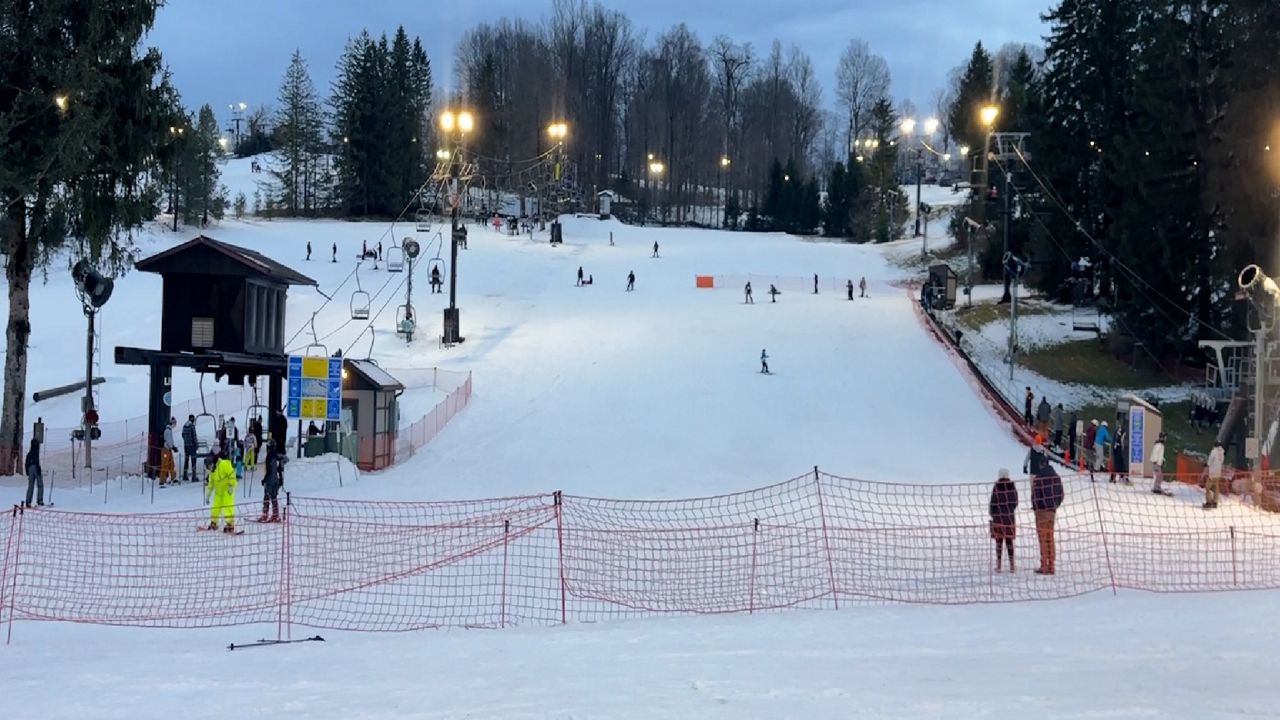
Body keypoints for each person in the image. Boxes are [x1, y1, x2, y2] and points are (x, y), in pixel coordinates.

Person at [1026, 439, 1063, 574]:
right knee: (1050, 537)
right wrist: (1055, 505)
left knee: (1042, 538)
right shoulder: (1056, 478)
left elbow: (1035, 496)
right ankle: (1052, 565)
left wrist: (1036, 507)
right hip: (1052, 511)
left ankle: (1044, 565)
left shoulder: (1039, 478)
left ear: (1040, 465)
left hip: (1041, 511)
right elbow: (1061, 494)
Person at [989, 468, 1019, 573]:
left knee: (999, 542)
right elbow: (1015, 501)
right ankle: (1012, 565)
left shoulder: (997, 487)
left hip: (998, 517)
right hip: (1009, 518)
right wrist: (1010, 510)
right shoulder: (1012, 486)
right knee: (1009, 542)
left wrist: (993, 513)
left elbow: (993, 502)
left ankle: (999, 565)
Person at [205, 453, 238, 532]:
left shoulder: (224, 464)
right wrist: (208, 494)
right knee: (215, 507)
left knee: (227, 506)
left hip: (227, 489)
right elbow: (211, 483)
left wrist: (231, 485)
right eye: (208, 467)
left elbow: (232, 474)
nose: (210, 468)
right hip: (218, 491)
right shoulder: (212, 472)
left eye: (210, 466)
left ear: (213, 463)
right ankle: (214, 522)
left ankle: (230, 523)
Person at [258, 437, 285, 523]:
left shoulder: (269, 456)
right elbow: (280, 469)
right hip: (276, 480)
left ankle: (265, 514)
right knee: (274, 497)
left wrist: (264, 479)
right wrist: (281, 479)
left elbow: (269, 469)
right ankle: (275, 515)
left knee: (266, 497)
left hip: (270, 479)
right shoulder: (277, 456)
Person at [1204, 440, 1225, 509]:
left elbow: (1209, 462)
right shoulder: (1222, 453)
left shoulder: (1213, 452)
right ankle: (1215, 502)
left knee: (1207, 487)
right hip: (1218, 473)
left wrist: (1206, 464)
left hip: (1212, 473)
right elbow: (1221, 462)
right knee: (1216, 488)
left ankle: (1209, 502)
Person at [23, 438, 43, 508]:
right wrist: (39, 471)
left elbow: (26, 463)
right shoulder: (36, 452)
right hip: (35, 467)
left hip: (30, 469)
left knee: (30, 486)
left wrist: (27, 472)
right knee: (40, 485)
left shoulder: (29, 453)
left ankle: (28, 501)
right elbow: (36, 461)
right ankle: (39, 500)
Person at [159, 417, 178, 487]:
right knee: (165, 465)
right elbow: (168, 441)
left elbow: (170, 441)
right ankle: (162, 480)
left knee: (171, 464)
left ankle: (173, 478)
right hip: (165, 450)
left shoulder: (169, 430)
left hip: (169, 449)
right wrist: (173, 447)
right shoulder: (167, 431)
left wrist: (173, 447)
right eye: (174, 423)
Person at [182, 414, 199, 482]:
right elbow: (194, 436)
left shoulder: (184, 426)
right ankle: (194, 476)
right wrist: (196, 445)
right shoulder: (192, 426)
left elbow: (183, 435)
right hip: (192, 446)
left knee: (186, 460)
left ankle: (185, 475)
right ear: (192, 419)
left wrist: (186, 440)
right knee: (193, 460)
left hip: (186, 446)